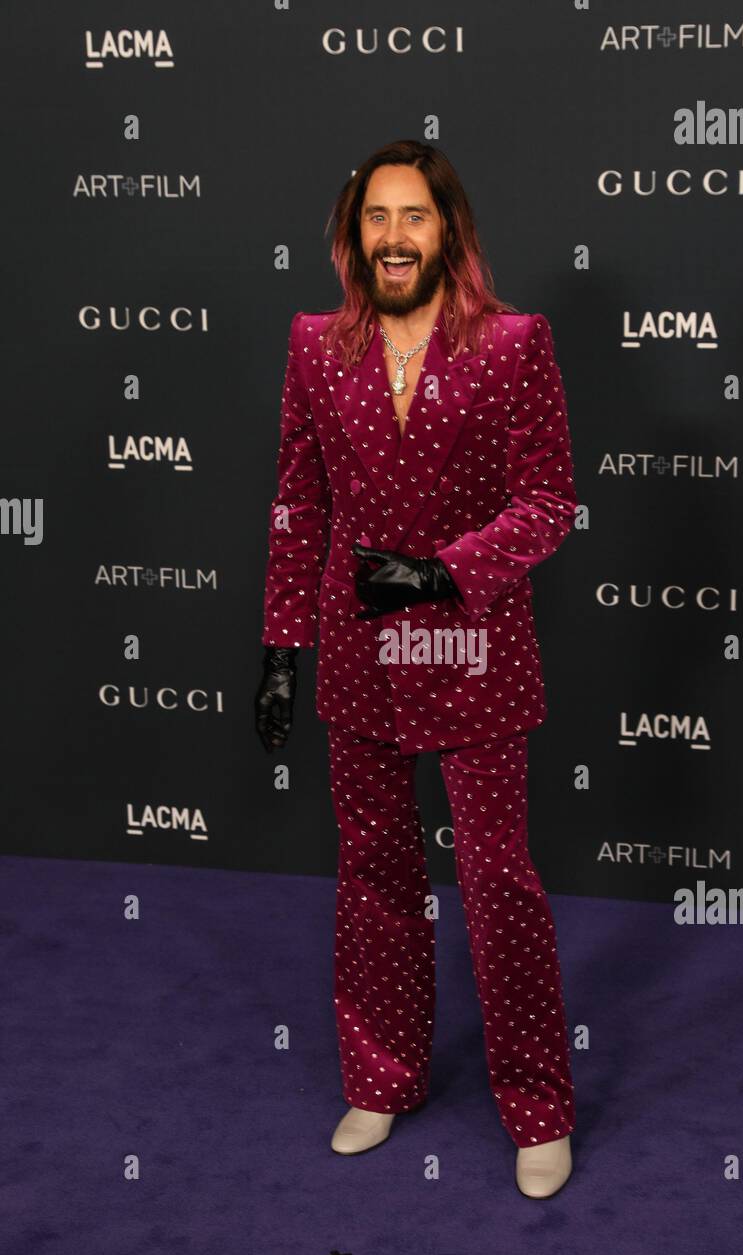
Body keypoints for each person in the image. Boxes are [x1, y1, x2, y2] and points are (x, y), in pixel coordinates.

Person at [254, 139, 578, 1198]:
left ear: (449, 230)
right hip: (356, 658)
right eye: (376, 219)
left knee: (494, 881)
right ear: (353, 236)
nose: (393, 238)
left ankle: (536, 1103)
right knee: (377, 873)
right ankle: (381, 1076)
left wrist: (439, 575)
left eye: (415, 217)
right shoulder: (314, 345)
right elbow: (299, 502)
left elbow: (544, 504)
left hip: (472, 649)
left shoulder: (514, 344)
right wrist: (280, 647)